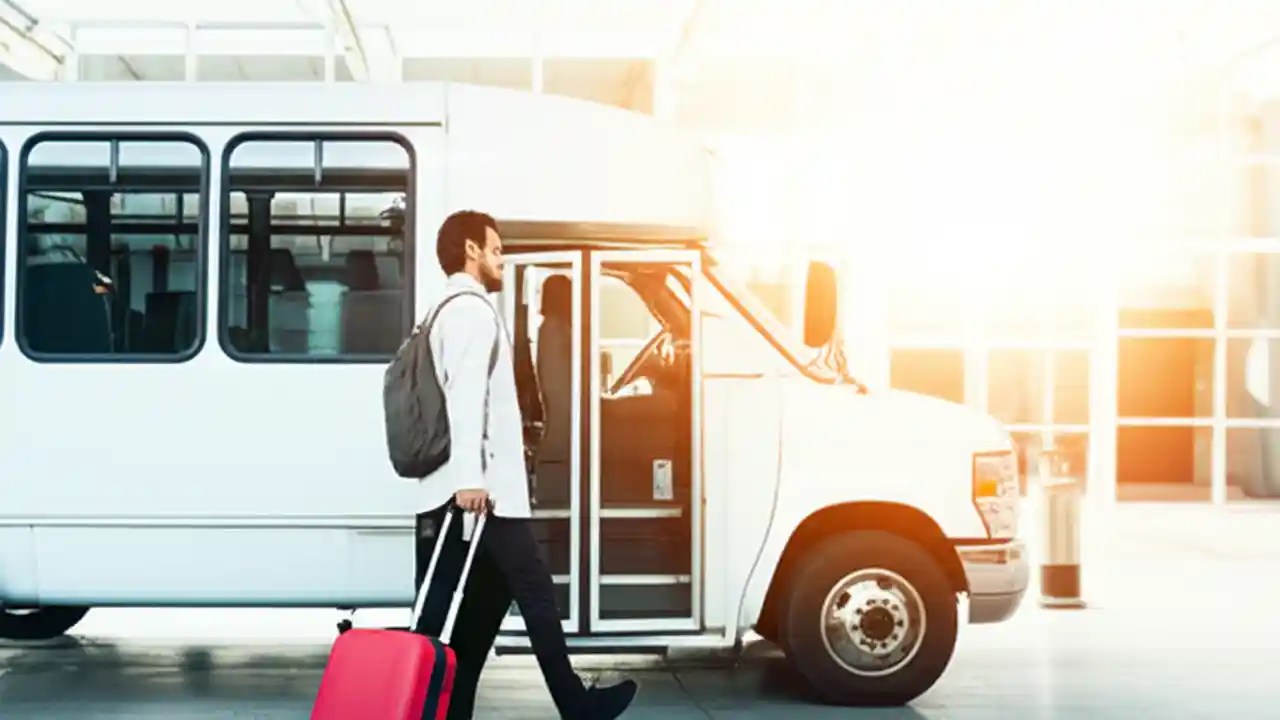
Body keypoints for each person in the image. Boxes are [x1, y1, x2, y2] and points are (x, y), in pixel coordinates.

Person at [412, 210, 638, 720]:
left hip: (476, 491)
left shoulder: (442, 308)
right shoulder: (469, 310)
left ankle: (454, 711)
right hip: (483, 494)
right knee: (534, 592)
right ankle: (576, 704)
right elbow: (465, 399)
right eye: (495, 249)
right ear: (470, 249)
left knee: (479, 614)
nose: (501, 258)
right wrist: (471, 480)